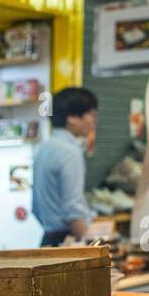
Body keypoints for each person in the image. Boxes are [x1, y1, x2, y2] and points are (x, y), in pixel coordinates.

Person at [33, 87, 98, 247]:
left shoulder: (44, 148)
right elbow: (72, 211)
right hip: (67, 241)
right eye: (90, 113)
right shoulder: (70, 152)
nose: (93, 119)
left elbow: (35, 208)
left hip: (48, 240)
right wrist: (94, 247)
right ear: (72, 118)